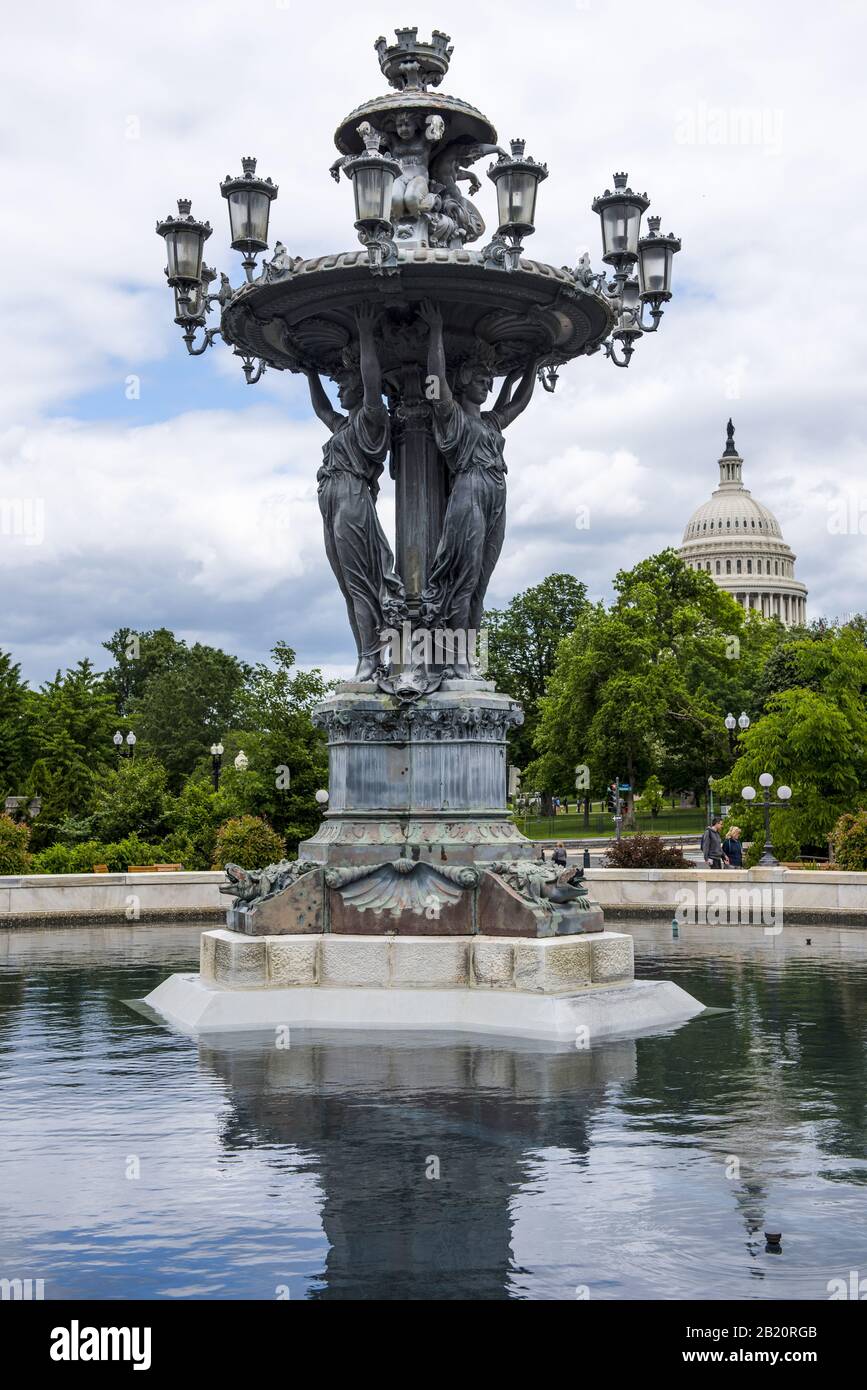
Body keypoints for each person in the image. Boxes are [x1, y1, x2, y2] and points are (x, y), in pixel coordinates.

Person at [418, 300, 540, 675]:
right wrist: (436, 330)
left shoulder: (491, 423)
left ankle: (467, 658)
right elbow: (435, 387)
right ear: (463, 382)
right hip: (469, 491)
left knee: (481, 582)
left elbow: (518, 401)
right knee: (463, 578)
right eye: (480, 378)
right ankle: (452, 660)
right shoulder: (452, 416)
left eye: (490, 380)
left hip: (495, 495)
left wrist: (534, 362)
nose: (488, 384)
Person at [304, 304, 406, 681]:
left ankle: (372, 658)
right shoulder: (343, 428)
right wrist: (307, 370)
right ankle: (367, 654)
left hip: (351, 501)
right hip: (332, 503)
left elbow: (372, 380)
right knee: (349, 587)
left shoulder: (371, 418)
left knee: (362, 585)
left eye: (346, 384)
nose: (340, 387)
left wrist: (365, 335)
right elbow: (320, 408)